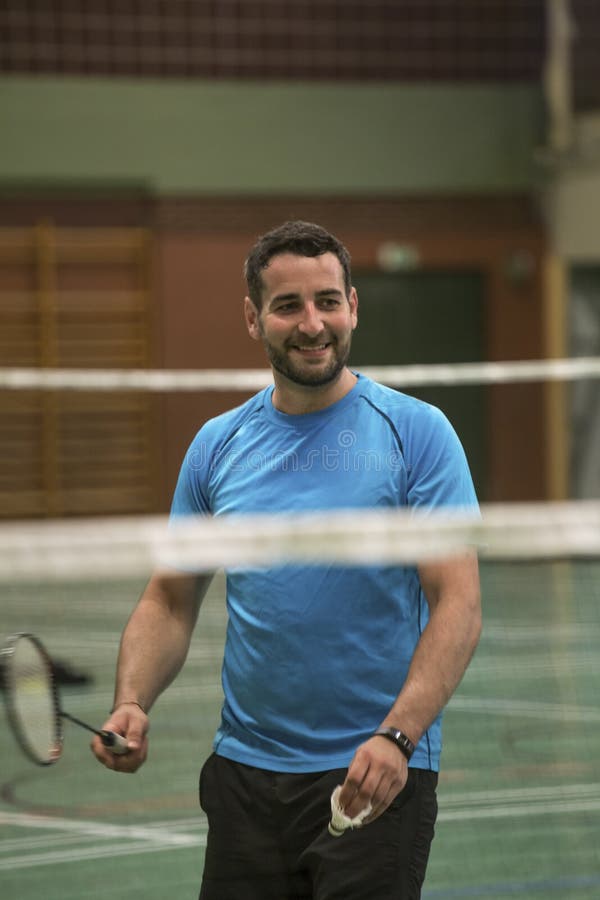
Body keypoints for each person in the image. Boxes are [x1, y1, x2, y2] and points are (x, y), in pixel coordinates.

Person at [92, 220, 482, 899]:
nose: (312, 324)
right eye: (288, 306)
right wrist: (133, 701)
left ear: (353, 306)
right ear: (253, 318)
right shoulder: (218, 446)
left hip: (375, 770)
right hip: (246, 779)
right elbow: (169, 598)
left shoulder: (416, 433)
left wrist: (399, 736)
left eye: (328, 301)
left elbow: (460, 604)